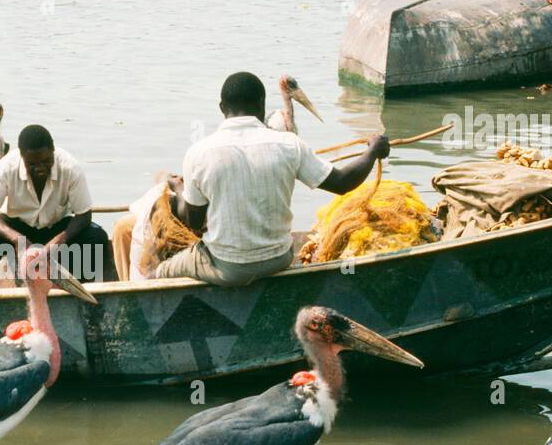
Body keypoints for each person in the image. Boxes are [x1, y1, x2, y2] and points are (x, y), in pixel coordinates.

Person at [153, 72, 388, 287]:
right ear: (262, 105)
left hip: (229, 267)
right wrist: (373, 151)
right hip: (279, 259)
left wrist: (176, 186)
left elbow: (193, 223)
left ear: (222, 107)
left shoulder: (199, 152)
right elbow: (343, 183)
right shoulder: (289, 144)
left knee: (161, 272)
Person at [0, 124, 108, 289]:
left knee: (96, 236)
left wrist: (58, 241)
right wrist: (17, 240)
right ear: (21, 156)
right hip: (17, 227)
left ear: (53, 150)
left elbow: (84, 215)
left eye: (46, 161)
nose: (40, 168)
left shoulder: (70, 168)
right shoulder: (6, 168)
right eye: (32, 164)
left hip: (55, 228)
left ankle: (81, 297)